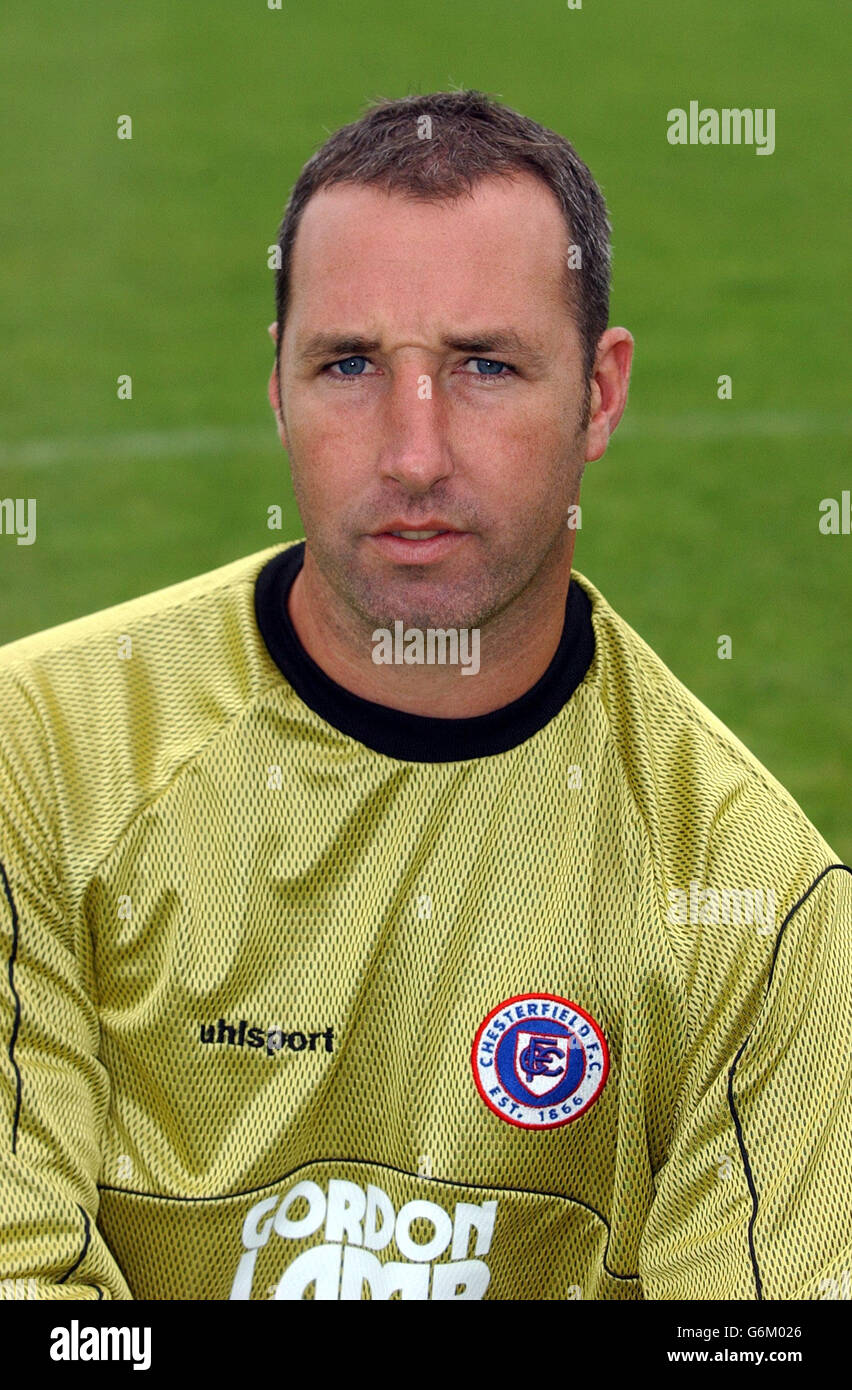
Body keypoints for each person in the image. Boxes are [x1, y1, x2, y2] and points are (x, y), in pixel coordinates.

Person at [0, 89, 849, 1303]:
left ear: (601, 395)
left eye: (485, 366)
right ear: (277, 387)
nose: (414, 452)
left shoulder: (763, 909)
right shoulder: (33, 757)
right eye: (350, 364)